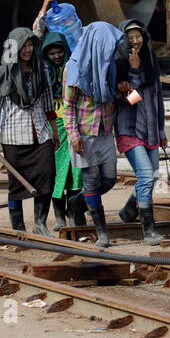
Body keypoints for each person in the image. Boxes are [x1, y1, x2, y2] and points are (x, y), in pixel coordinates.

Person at [0, 27, 56, 235]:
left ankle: (40, 224)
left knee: (47, 176)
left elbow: (48, 101)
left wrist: (54, 129)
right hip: (13, 136)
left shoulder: (40, 69)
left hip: (41, 133)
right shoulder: (3, 73)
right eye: (23, 46)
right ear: (14, 47)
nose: (27, 50)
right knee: (16, 184)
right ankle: (18, 228)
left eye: (30, 45)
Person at [63, 20, 125, 247]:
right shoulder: (74, 67)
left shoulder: (109, 66)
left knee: (108, 179)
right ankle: (102, 233)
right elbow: (68, 106)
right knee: (91, 180)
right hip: (84, 133)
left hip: (105, 130)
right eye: (107, 46)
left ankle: (77, 203)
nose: (111, 51)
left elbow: (109, 96)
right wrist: (74, 135)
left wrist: (120, 90)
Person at [113, 20, 167, 244]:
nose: (135, 41)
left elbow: (158, 99)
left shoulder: (151, 62)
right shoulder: (117, 65)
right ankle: (149, 229)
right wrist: (133, 70)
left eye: (138, 36)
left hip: (151, 130)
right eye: (130, 37)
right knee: (146, 175)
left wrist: (162, 129)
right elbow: (130, 100)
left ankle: (128, 209)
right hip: (130, 128)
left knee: (152, 175)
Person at [40, 29, 86, 230]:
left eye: (59, 51)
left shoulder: (75, 67)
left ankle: (74, 213)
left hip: (75, 123)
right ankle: (59, 217)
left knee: (76, 170)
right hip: (54, 125)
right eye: (51, 53)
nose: (56, 56)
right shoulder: (43, 72)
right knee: (57, 170)